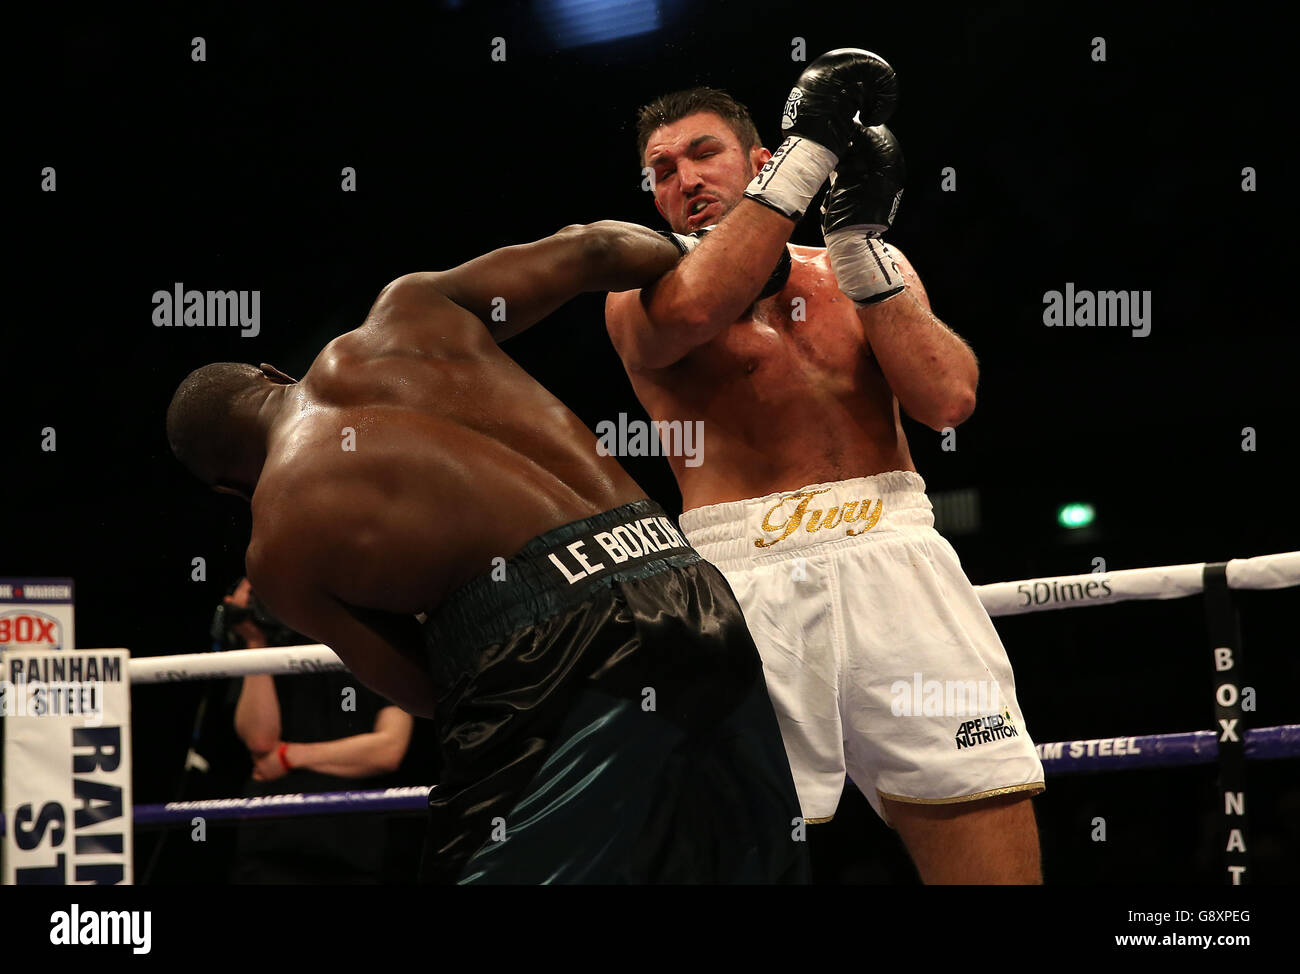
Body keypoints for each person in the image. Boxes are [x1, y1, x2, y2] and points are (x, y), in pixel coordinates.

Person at [165, 221, 809, 884]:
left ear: (226, 488)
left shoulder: (276, 546)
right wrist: (720, 256)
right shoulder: (407, 312)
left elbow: (430, 689)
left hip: (556, 664)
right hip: (686, 578)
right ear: (272, 373)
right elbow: (591, 247)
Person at [592, 50, 1045, 883]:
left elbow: (948, 400)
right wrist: (809, 163)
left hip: (898, 562)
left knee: (977, 809)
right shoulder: (640, 291)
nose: (681, 178)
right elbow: (699, 306)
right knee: (731, 849)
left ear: (759, 159)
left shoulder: (862, 264)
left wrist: (859, 246)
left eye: (702, 153)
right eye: (660, 171)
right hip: (745, 583)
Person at [219, 577, 413, 883]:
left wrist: (287, 756)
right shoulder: (269, 649)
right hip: (273, 840)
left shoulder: (378, 648)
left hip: (351, 841)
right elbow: (259, 739)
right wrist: (254, 643)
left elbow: (389, 749)